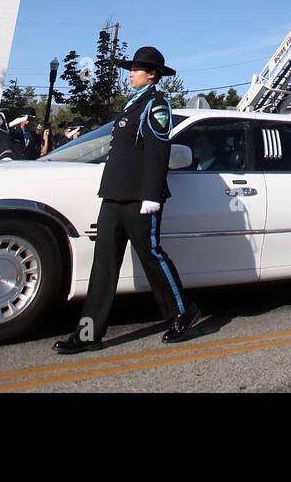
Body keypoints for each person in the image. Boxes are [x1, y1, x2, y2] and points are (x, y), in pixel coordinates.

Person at [54, 46, 201, 354]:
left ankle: (182, 311)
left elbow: (157, 151)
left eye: (137, 69)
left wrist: (151, 195)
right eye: (131, 68)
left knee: (151, 256)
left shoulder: (157, 104)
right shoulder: (132, 104)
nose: (131, 73)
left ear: (152, 75)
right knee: (104, 263)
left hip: (139, 197)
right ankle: (88, 333)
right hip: (114, 195)